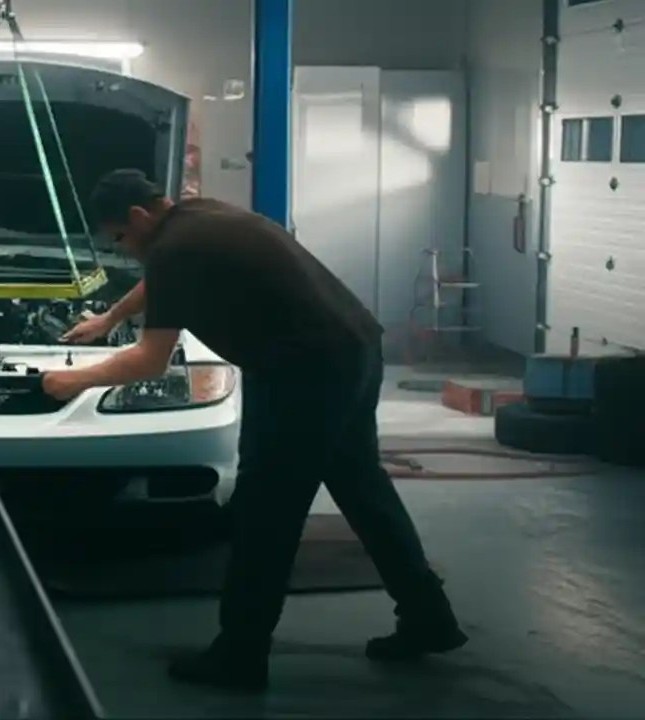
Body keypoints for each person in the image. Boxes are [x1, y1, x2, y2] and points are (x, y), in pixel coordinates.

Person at [42, 169, 468, 693]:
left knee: (266, 509)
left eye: (120, 239)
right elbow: (160, 280)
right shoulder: (196, 218)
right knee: (363, 490)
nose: (124, 249)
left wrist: (71, 381)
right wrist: (109, 318)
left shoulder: (175, 247)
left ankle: (240, 654)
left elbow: (149, 362)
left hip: (303, 370)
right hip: (353, 347)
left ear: (137, 217)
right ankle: (430, 617)